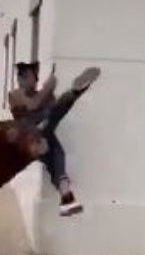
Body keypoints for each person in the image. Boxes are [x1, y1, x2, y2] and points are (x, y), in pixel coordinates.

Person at [8, 61, 101, 216]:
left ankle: (67, 198)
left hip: (45, 134)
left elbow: (48, 108)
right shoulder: (14, 95)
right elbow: (30, 108)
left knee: (57, 155)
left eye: (26, 76)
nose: (21, 80)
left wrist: (49, 89)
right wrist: (49, 85)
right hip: (28, 136)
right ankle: (73, 93)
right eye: (20, 76)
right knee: (51, 116)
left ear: (35, 78)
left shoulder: (44, 95)